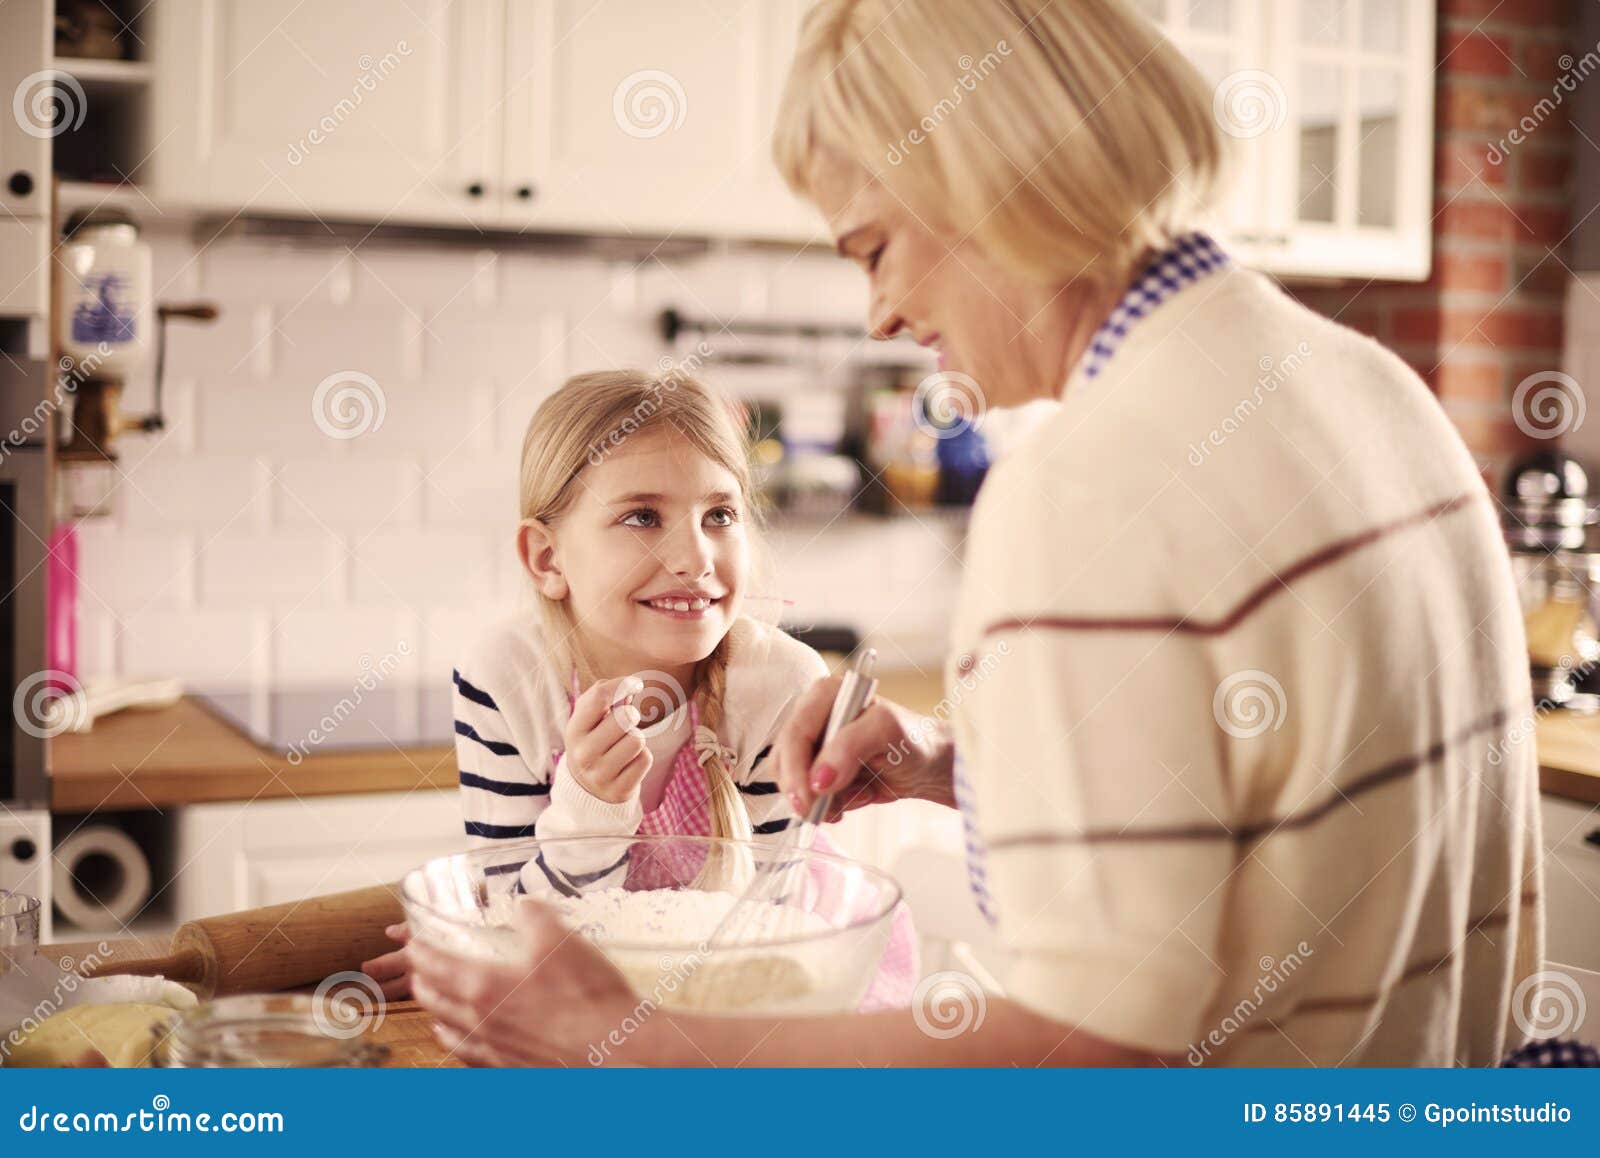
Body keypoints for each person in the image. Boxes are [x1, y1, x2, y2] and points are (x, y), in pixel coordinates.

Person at [410, 0, 1544, 1067]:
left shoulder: (1082, 487)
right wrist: (962, 771)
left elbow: (1088, 1053)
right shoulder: (1375, 390)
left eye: (872, 249)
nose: (881, 316)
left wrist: (639, 1041)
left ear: (987, 189)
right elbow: (1289, 832)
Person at [367, 369, 916, 1008]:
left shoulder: (779, 687)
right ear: (547, 559)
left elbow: (752, 945)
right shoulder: (506, 678)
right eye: (643, 517)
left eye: (719, 515)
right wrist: (589, 808)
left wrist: (497, 948)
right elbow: (520, 927)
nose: (695, 558)